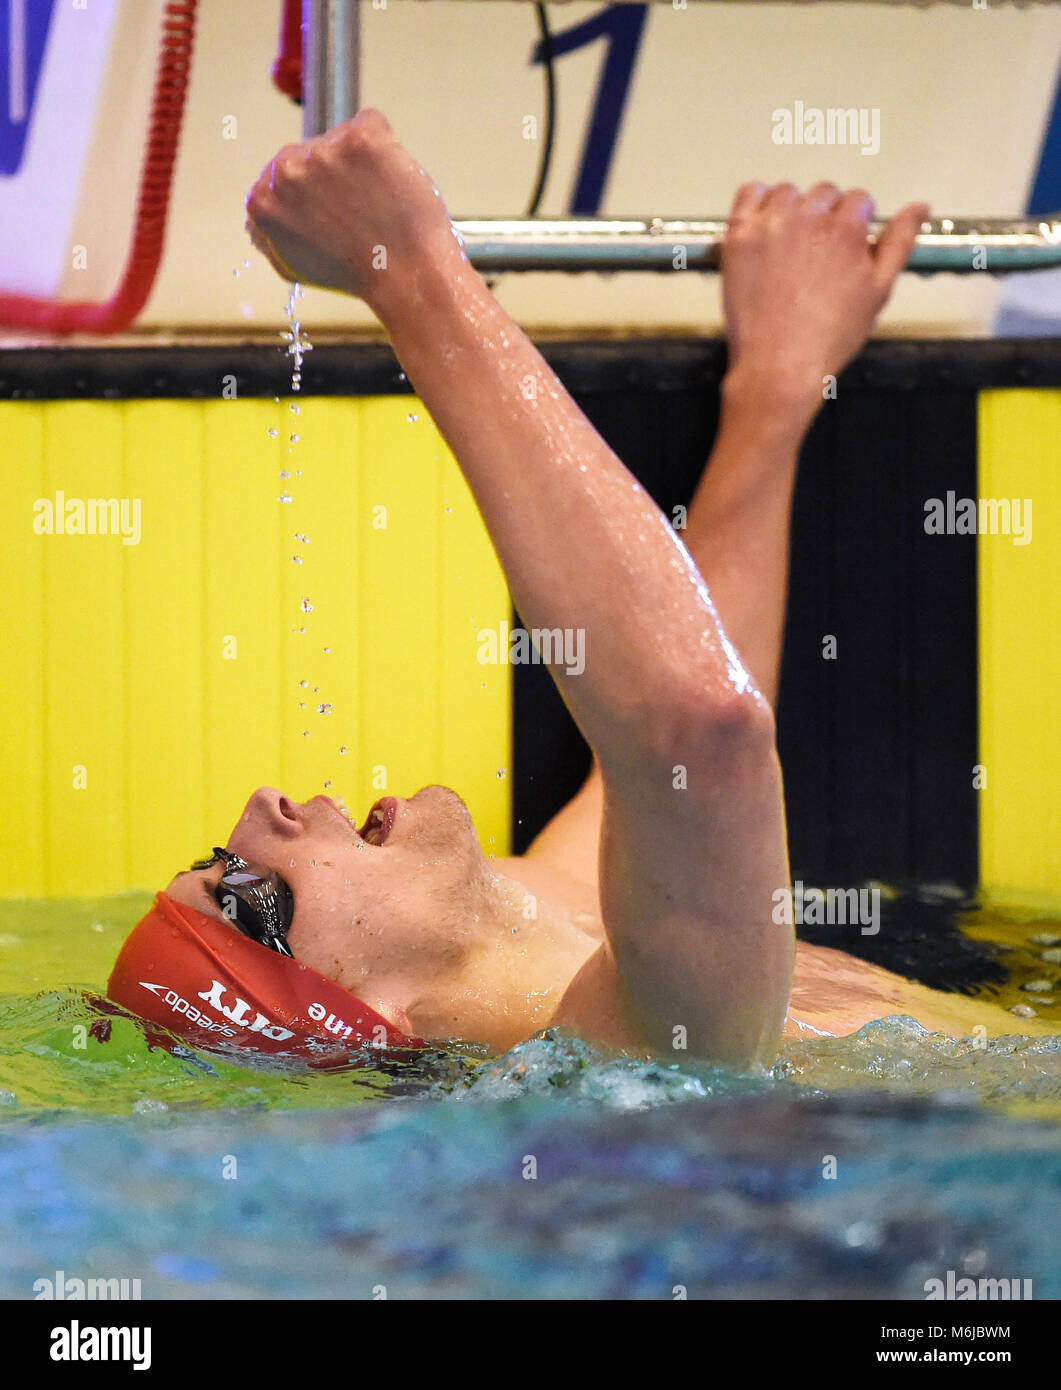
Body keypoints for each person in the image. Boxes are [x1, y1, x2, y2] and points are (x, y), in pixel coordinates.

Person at [108, 109, 1049, 1070]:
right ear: (371, 1015)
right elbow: (701, 728)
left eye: (213, 858)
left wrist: (774, 384)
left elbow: (684, 695)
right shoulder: (614, 1056)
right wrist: (407, 272)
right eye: (250, 900)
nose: (257, 811)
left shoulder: (554, 911)